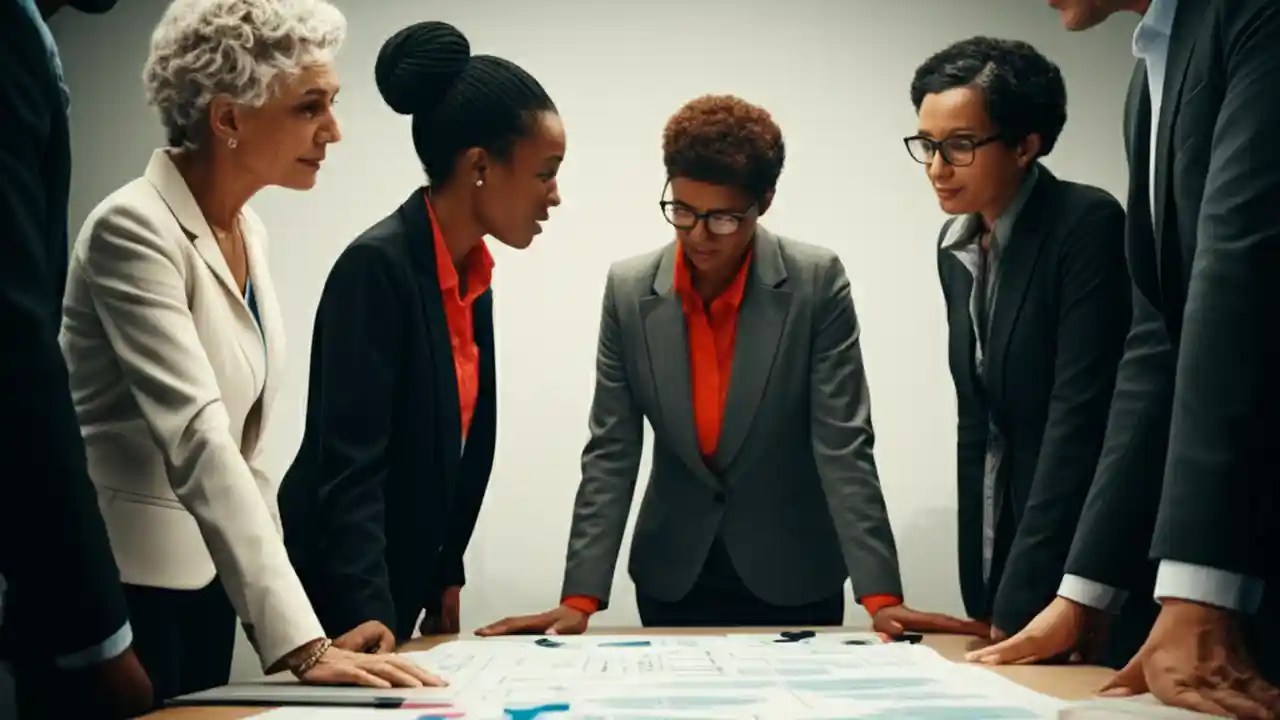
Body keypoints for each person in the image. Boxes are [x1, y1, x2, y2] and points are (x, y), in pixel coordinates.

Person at [478, 94, 983, 637]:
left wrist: (881, 595)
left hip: (794, 573)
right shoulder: (629, 291)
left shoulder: (815, 282)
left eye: (721, 219)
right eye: (683, 212)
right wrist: (579, 596)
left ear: (763, 201)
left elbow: (842, 443)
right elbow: (611, 449)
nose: (697, 235)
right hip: (673, 574)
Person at [58, 0, 439, 704]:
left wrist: (312, 619)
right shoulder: (131, 228)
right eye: (309, 107)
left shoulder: (247, 230)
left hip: (207, 584)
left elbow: (249, 453)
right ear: (228, 118)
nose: (334, 130)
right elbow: (199, 438)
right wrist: (303, 642)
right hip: (114, 595)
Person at [969, 0, 1280, 716]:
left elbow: (1239, 276)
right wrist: (1085, 590)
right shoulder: (1149, 79)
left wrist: (1202, 586)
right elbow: (1156, 341)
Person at [278, 20, 565, 643]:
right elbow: (348, 466)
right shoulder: (375, 268)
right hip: (343, 590)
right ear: (480, 166)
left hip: (403, 581)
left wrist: (445, 570)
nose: (555, 195)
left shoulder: (471, 270)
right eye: (546, 171)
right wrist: (365, 610)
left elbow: (454, 450)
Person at [906, 38, 1130, 647]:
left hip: (1082, 568)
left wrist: (1029, 593)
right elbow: (976, 424)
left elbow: (1078, 424)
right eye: (926, 144)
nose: (936, 166)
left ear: (1026, 145)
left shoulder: (1085, 224)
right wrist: (983, 587)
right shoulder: (955, 246)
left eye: (959, 145)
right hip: (1006, 566)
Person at [0, 0, 153, 717]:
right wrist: (95, 630)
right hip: (113, 576)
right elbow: (17, 353)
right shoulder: (133, 225)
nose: (332, 130)